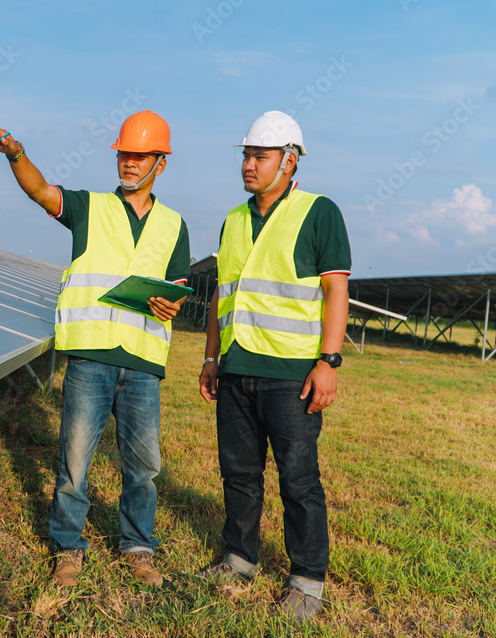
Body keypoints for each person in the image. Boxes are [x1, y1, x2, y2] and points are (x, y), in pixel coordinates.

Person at [0, 111, 191, 587]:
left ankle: (139, 548)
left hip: (142, 364)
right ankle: (68, 549)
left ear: (161, 162)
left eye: (140, 156)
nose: (129, 163)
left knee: (144, 467)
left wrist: (170, 303)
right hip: (91, 357)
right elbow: (41, 192)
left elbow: (177, 287)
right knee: (74, 464)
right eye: (124, 154)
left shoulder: (174, 225)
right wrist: (16, 153)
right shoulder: (89, 206)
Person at [197, 111, 351, 622]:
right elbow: (223, 295)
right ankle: (239, 559)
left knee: (298, 479)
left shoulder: (318, 212)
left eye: (259, 156)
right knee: (239, 474)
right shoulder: (234, 220)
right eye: (245, 155)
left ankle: (307, 581)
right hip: (238, 370)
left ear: (289, 161)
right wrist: (212, 356)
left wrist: (328, 362)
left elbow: (335, 291)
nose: (248, 164)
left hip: (291, 375)